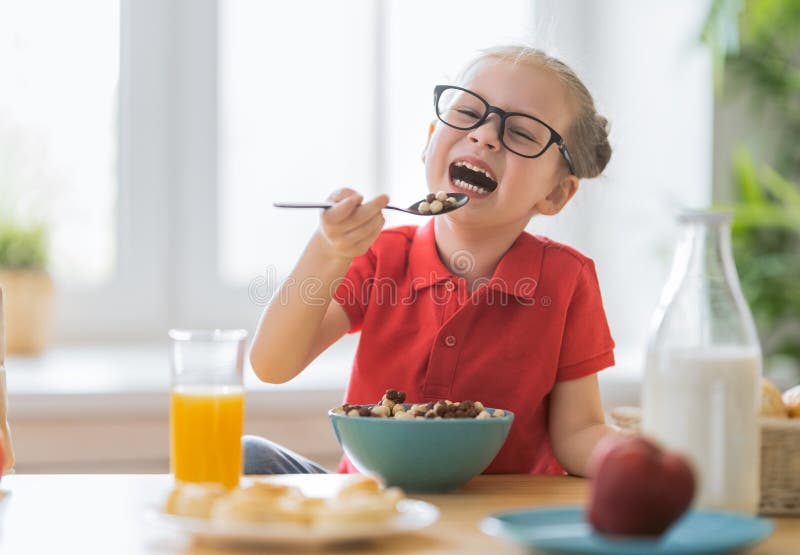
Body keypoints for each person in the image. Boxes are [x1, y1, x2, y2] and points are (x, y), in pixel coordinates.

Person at [246, 45, 617, 476]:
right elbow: (271, 364)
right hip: (370, 505)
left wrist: (635, 459)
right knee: (250, 455)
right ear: (429, 142)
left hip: (492, 517)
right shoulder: (381, 257)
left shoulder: (566, 279)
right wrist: (326, 253)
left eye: (522, 133)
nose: (485, 135)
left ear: (555, 194)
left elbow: (578, 433)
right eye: (466, 113)